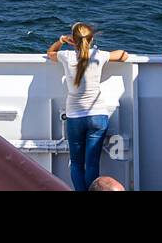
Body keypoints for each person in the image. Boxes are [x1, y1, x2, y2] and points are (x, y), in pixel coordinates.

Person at [46, 22, 129, 192]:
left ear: (73, 40)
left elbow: (50, 53)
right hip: (98, 116)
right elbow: (123, 55)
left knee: (76, 163)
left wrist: (61, 39)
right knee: (92, 164)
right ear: (91, 40)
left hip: (75, 117)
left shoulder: (66, 56)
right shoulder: (99, 55)